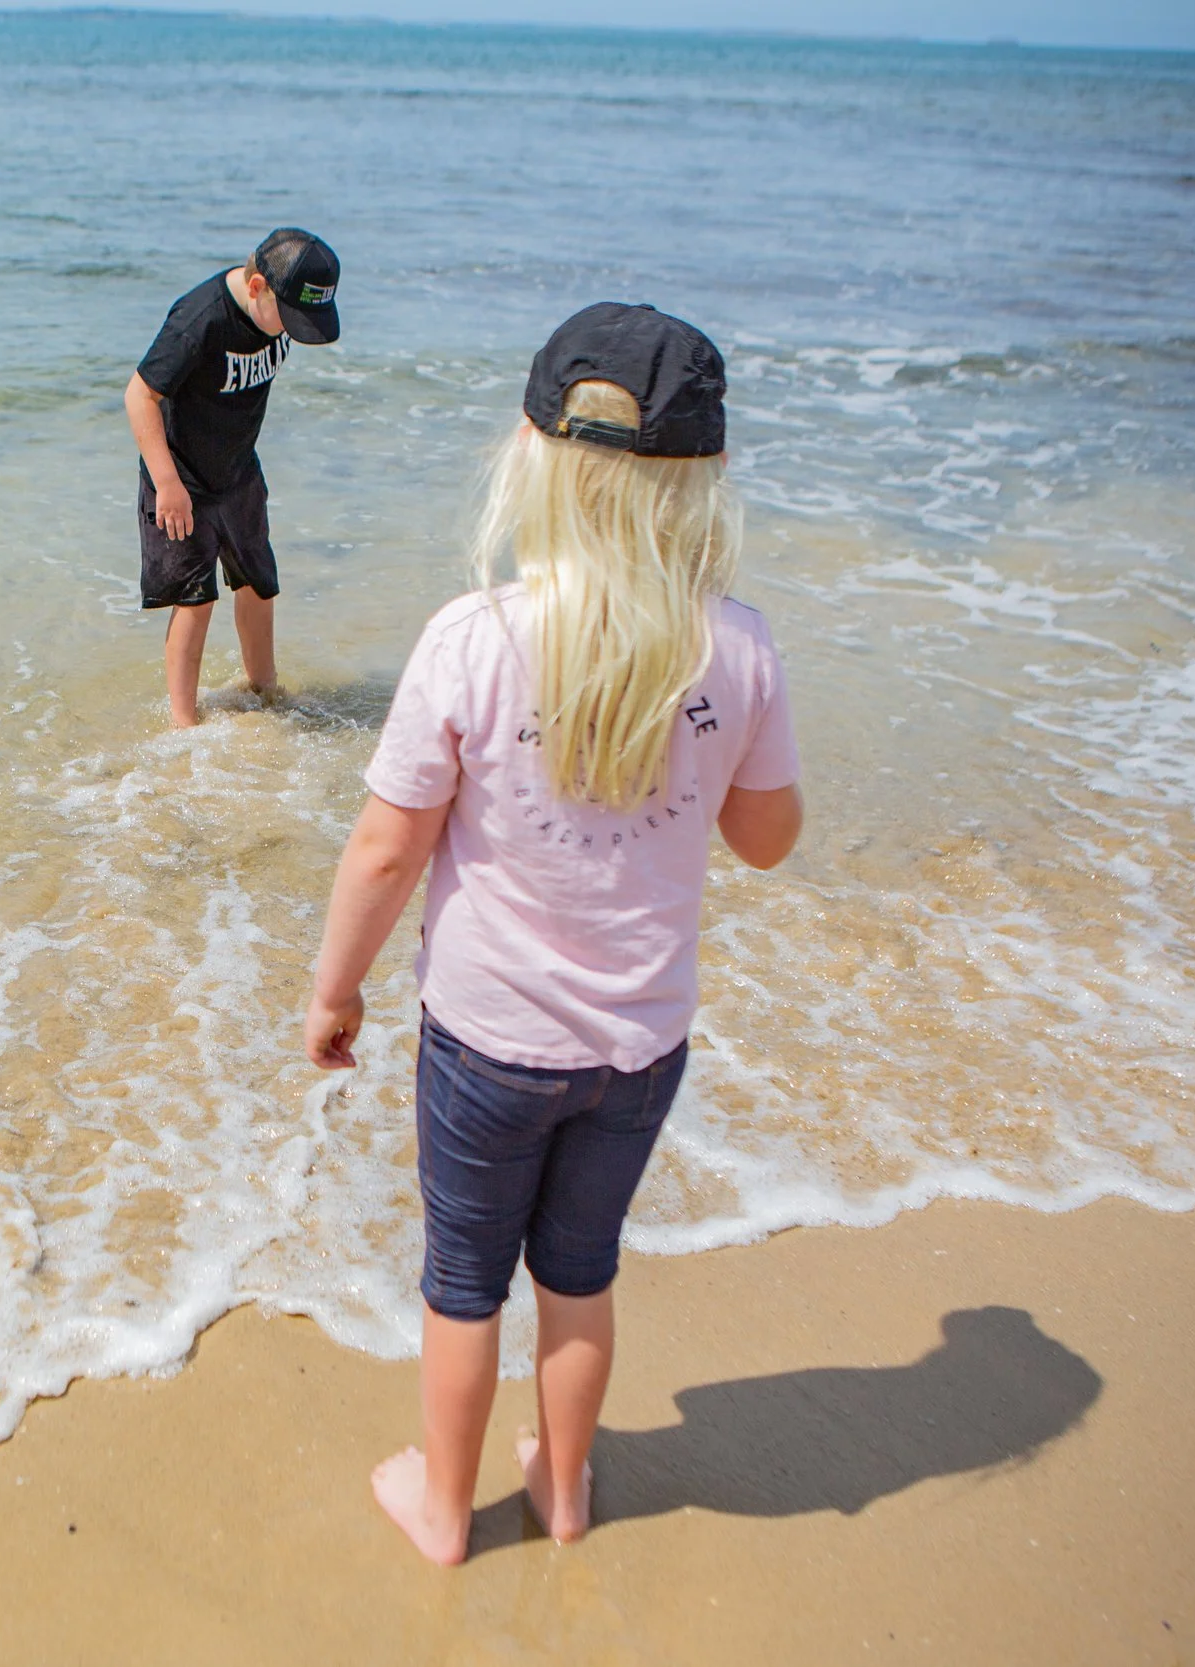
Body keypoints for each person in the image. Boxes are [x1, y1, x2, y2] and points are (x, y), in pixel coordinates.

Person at [301, 302, 805, 1564]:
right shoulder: (736, 647)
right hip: (638, 1043)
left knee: (464, 1280)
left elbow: (384, 849)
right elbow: (766, 838)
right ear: (706, 476)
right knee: (580, 1271)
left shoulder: (474, 637)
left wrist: (334, 989)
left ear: (531, 455)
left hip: (486, 1042)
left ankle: (443, 1510)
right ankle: (565, 1488)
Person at [124, 228, 341, 727]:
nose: (293, 332)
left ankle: (266, 691)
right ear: (258, 287)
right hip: (181, 479)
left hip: (239, 469)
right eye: (291, 319)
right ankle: (184, 725)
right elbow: (139, 395)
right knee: (195, 601)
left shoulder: (273, 312)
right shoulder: (200, 319)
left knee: (259, 583)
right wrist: (167, 483)